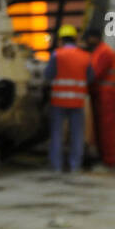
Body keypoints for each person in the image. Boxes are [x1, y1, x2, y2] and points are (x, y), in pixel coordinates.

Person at [44, 24, 93, 173]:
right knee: (77, 135)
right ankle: (75, 165)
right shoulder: (86, 56)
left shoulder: (57, 55)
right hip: (77, 101)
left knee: (57, 135)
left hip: (58, 101)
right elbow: (91, 77)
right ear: (76, 39)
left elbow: (48, 75)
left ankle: (57, 166)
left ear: (61, 40)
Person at [83, 28, 115, 169]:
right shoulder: (99, 51)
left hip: (105, 93)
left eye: (88, 39)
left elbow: (95, 73)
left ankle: (109, 160)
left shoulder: (104, 52)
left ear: (95, 38)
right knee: (99, 128)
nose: (86, 42)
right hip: (99, 93)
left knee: (106, 128)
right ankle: (103, 157)